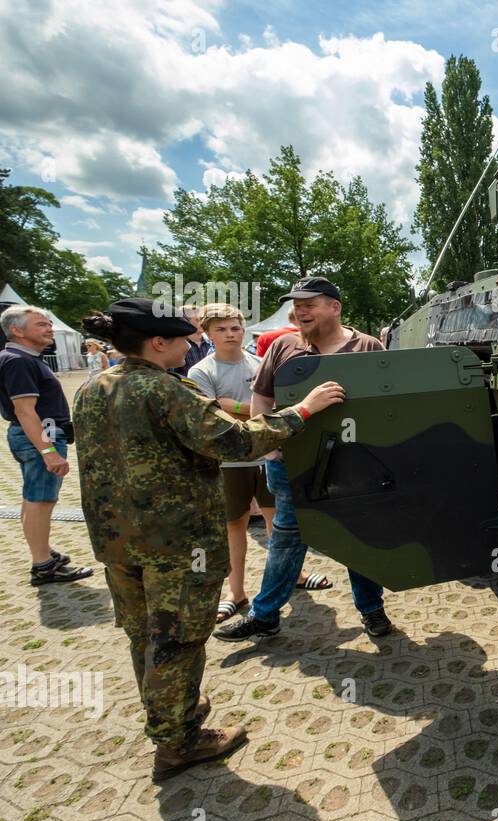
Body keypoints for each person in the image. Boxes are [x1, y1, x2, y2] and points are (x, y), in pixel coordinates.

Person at [72, 297, 346, 779]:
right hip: (175, 545)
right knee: (177, 639)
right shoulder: (163, 391)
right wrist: (304, 409)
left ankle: (169, 712)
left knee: (144, 636)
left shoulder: (94, 387)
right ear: (158, 342)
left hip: (118, 541)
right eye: (181, 338)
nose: (188, 344)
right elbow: (237, 441)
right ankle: (179, 742)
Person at [216, 276, 393, 643]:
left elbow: (385, 405)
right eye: (297, 305)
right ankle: (265, 616)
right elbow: (261, 399)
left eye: (309, 303)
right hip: (292, 465)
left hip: (353, 464)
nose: (300, 310)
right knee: (285, 540)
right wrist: (270, 447)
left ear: (335, 306)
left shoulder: (367, 346)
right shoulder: (283, 346)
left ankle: (371, 609)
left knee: (359, 536)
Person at [187, 303, 275, 622]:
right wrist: (250, 407)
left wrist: (233, 404)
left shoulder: (262, 364)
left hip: (267, 456)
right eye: (221, 329)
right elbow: (212, 416)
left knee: (276, 521)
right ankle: (235, 593)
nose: (230, 334)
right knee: (234, 526)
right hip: (228, 462)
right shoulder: (201, 371)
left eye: (235, 328)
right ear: (207, 333)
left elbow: (273, 409)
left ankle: (293, 575)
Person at [0, 305, 95, 585]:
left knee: (33, 499)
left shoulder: (21, 358)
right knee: (41, 501)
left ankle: (41, 553)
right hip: (41, 436)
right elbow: (25, 411)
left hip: (37, 436)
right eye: (41, 324)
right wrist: (47, 451)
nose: (49, 328)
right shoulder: (18, 360)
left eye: (49, 323)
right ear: (17, 330)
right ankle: (43, 565)